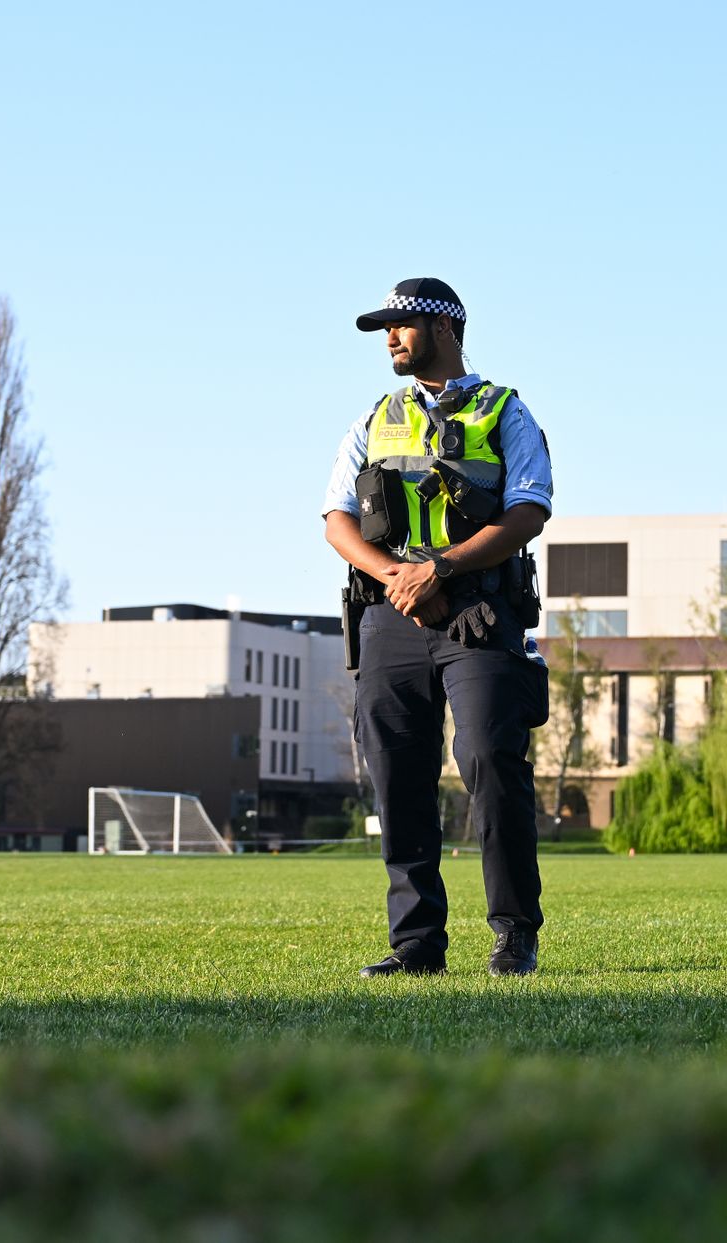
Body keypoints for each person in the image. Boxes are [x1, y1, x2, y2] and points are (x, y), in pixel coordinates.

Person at [323, 277, 553, 977]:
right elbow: (337, 518)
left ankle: (514, 933)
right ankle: (417, 945)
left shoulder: (505, 412)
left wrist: (442, 569)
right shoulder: (374, 418)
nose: (389, 337)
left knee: (488, 759)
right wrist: (399, 579)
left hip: (479, 611)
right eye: (383, 328)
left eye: (400, 324)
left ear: (444, 328)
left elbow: (528, 511)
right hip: (391, 614)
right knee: (396, 771)